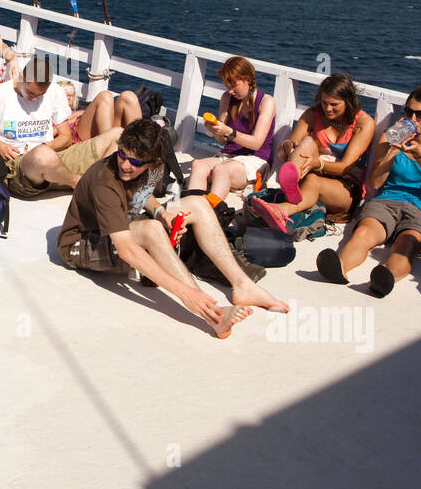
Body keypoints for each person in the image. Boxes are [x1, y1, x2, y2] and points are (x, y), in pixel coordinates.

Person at [56, 118, 289, 338]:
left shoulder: (153, 168)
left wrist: (162, 213)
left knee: (198, 203)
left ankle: (242, 285)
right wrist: (185, 293)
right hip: (82, 243)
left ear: (153, 162)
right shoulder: (104, 182)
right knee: (151, 230)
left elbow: (142, 193)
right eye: (122, 155)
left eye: (135, 162)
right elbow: (126, 248)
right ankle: (209, 312)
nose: (125, 165)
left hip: (125, 224)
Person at [315, 86, 421, 297]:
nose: (414, 118)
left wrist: (420, 156)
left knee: (406, 245)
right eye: (408, 112)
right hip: (386, 201)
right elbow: (376, 182)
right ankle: (340, 267)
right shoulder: (389, 136)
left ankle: (385, 276)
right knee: (364, 233)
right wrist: (392, 148)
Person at [0, 56, 121, 198]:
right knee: (41, 156)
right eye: (31, 93)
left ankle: (112, 187)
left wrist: (45, 146)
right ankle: (77, 183)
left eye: (40, 95)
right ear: (22, 76)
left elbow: (66, 137)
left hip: (54, 157)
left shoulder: (55, 91)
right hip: (19, 167)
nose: (34, 99)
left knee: (117, 134)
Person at [251, 71, 375, 234]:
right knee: (307, 143)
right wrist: (289, 147)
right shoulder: (313, 114)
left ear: (348, 101)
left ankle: (282, 208)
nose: (328, 109)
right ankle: (290, 186)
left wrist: (319, 163)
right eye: (324, 103)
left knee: (313, 181)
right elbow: (284, 152)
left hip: (345, 187)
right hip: (310, 174)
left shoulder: (363, 123)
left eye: (334, 104)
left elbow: (345, 167)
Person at [188, 56, 275, 199]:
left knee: (220, 170)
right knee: (198, 165)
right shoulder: (227, 99)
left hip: (255, 159)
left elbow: (257, 143)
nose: (230, 91)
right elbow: (222, 141)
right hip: (229, 156)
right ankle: (192, 204)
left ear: (247, 79)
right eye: (227, 86)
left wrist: (229, 131)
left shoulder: (266, 102)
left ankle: (213, 209)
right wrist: (214, 130)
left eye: (234, 85)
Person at [54, 79, 143, 149]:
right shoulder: (50, 113)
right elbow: (49, 134)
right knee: (105, 96)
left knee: (128, 97)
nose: (69, 95)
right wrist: (70, 119)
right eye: (64, 93)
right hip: (75, 136)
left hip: (100, 131)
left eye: (71, 93)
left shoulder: (77, 112)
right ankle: (109, 154)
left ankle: (142, 147)